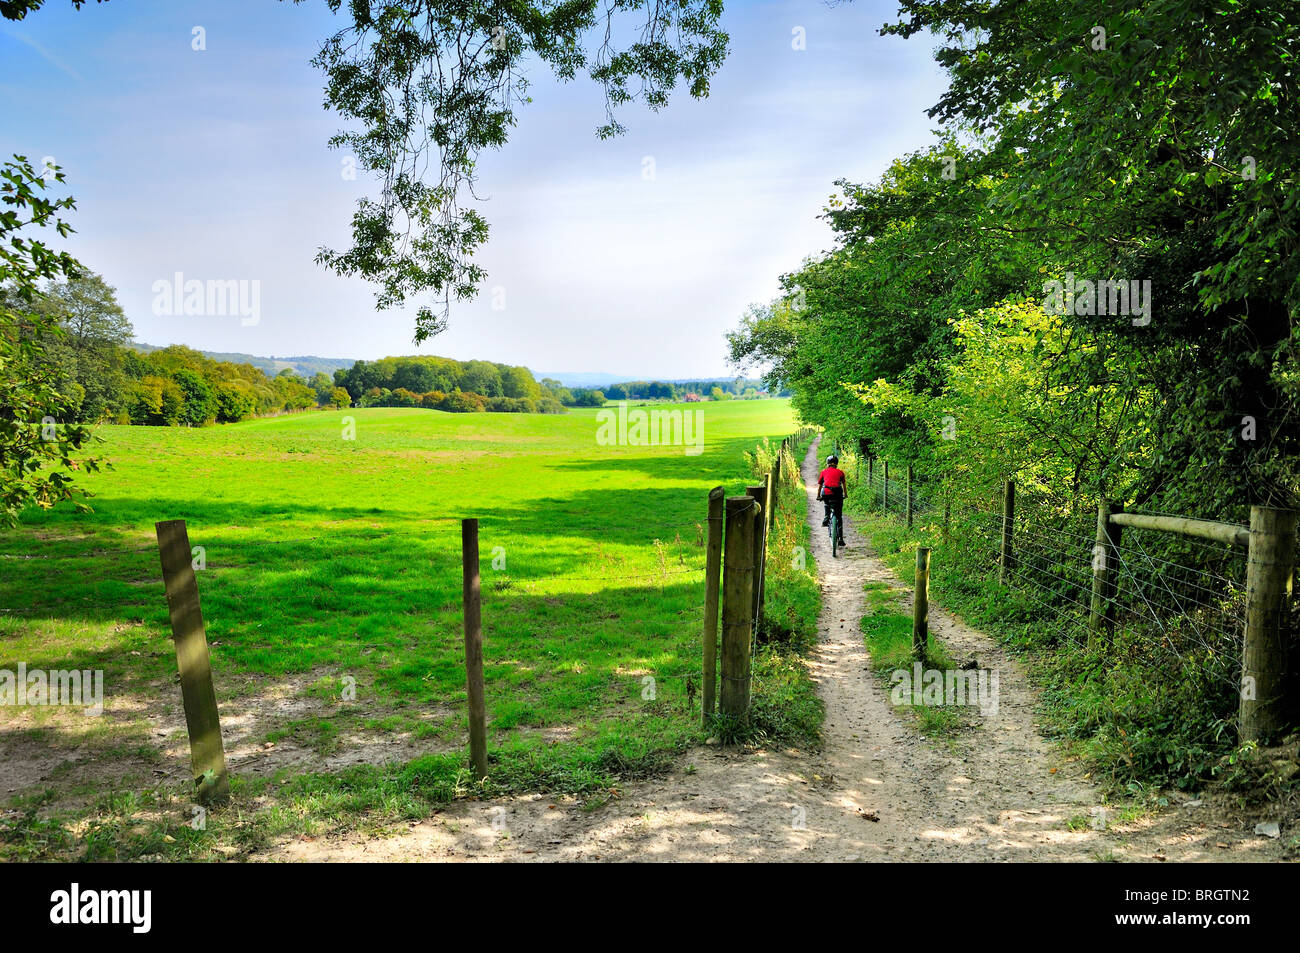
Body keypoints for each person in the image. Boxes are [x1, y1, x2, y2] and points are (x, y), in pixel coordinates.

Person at [818, 454, 847, 545]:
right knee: (839, 516)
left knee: (827, 503)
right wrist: (845, 495)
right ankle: (841, 539)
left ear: (828, 463)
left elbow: (820, 486)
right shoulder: (840, 472)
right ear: (836, 464)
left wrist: (818, 496)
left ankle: (826, 517)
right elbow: (844, 486)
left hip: (826, 493)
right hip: (838, 494)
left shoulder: (823, 472)